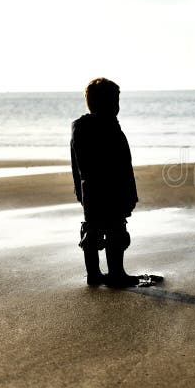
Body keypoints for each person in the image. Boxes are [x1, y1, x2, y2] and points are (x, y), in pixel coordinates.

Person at [70, 78, 141, 287]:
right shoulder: (109, 128)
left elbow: (76, 166)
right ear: (105, 103)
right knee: (115, 230)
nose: (117, 106)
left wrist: (79, 192)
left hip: (89, 191)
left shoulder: (79, 129)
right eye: (115, 101)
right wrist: (130, 194)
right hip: (113, 191)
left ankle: (93, 274)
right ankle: (116, 273)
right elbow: (122, 166)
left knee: (92, 229)